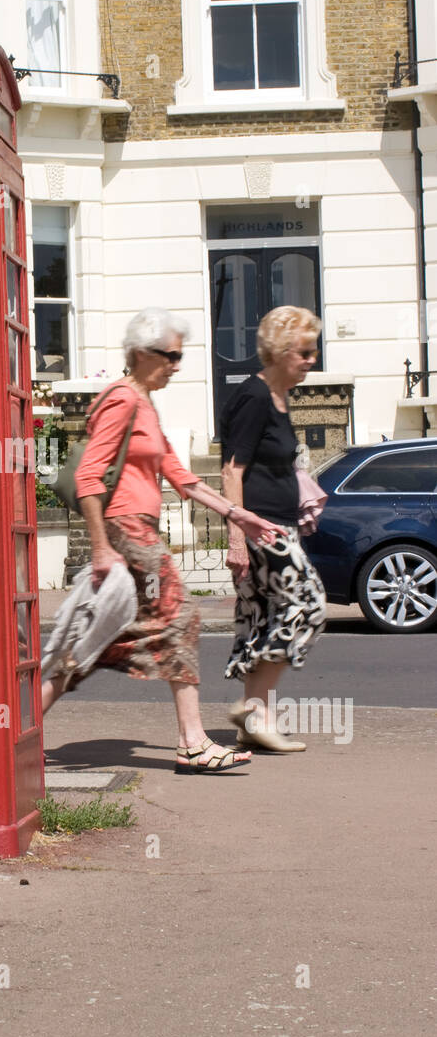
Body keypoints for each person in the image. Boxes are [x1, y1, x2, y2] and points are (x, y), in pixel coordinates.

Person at [42, 307, 283, 774]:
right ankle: (193, 742)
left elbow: (182, 478)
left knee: (99, 641)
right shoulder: (122, 400)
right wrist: (101, 548)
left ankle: (9, 733)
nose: (176, 365)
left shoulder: (145, 403)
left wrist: (240, 515)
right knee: (184, 616)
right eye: (170, 355)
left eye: (179, 356)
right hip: (126, 530)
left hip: (137, 531)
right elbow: (89, 478)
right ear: (139, 353)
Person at [220, 305, 327, 752]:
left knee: (262, 617)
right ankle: (256, 712)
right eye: (304, 352)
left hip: (276, 527)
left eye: (313, 351)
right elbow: (230, 470)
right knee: (310, 604)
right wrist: (237, 542)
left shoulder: (279, 397)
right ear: (281, 351)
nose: (311, 360)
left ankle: (254, 719)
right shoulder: (255, 397)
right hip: (263, 531)